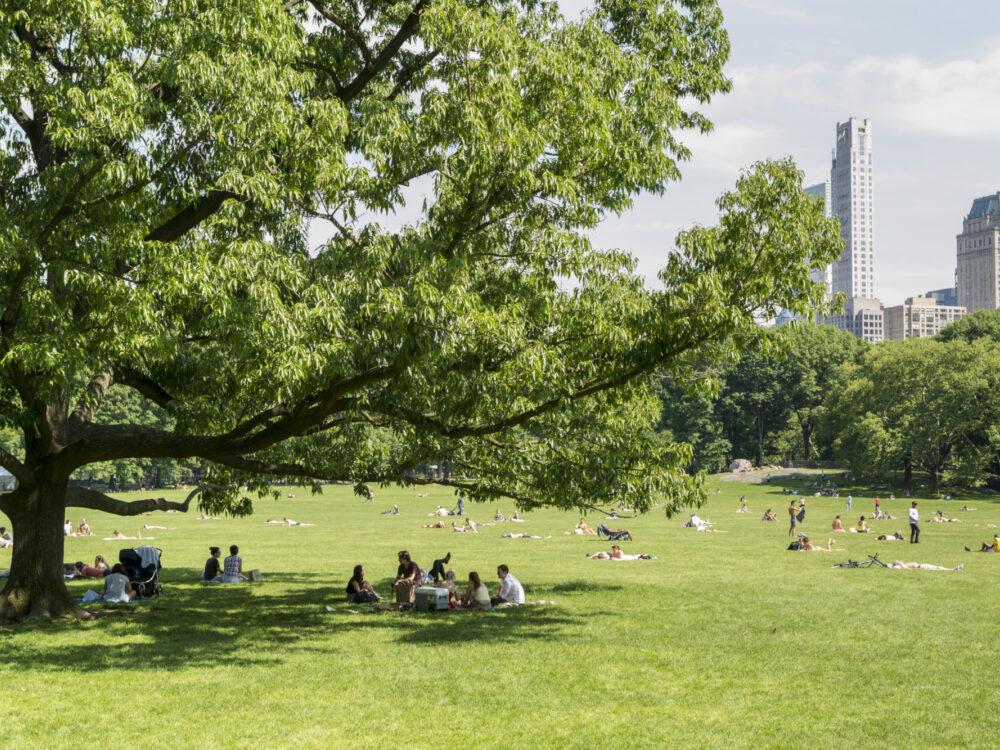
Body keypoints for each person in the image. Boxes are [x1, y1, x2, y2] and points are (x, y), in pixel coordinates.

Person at [890, 560, 963, 571]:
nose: (900, 561)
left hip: (922, 565)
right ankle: (953, 570)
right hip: (922, 567)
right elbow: (911, 569)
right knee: (938, 568)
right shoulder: (903, 566)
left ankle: (954, 569)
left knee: (938, 567)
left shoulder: (904, 565)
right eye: (898, 561)